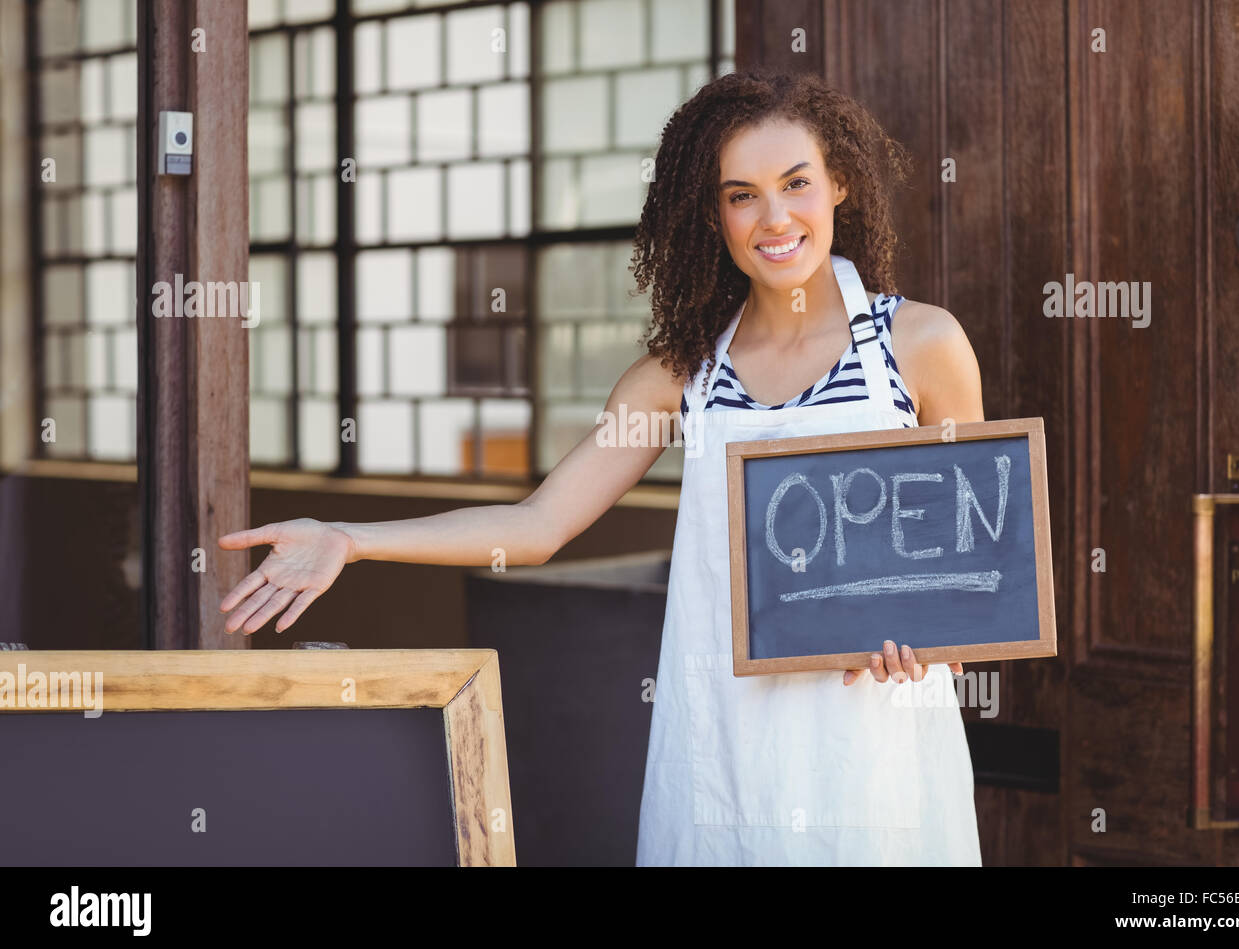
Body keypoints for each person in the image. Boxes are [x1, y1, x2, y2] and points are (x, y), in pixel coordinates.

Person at [218, 68, 984, 866]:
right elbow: (537, 525)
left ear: (841, 186)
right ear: (712, 213)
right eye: (741, 194)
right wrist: (348, 537)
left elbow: (975, 575)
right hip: (724, 748)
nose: (775, 217)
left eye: (796, 183)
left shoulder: (921, 349)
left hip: (878, 751)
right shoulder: (681, 374)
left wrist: (927, 633)